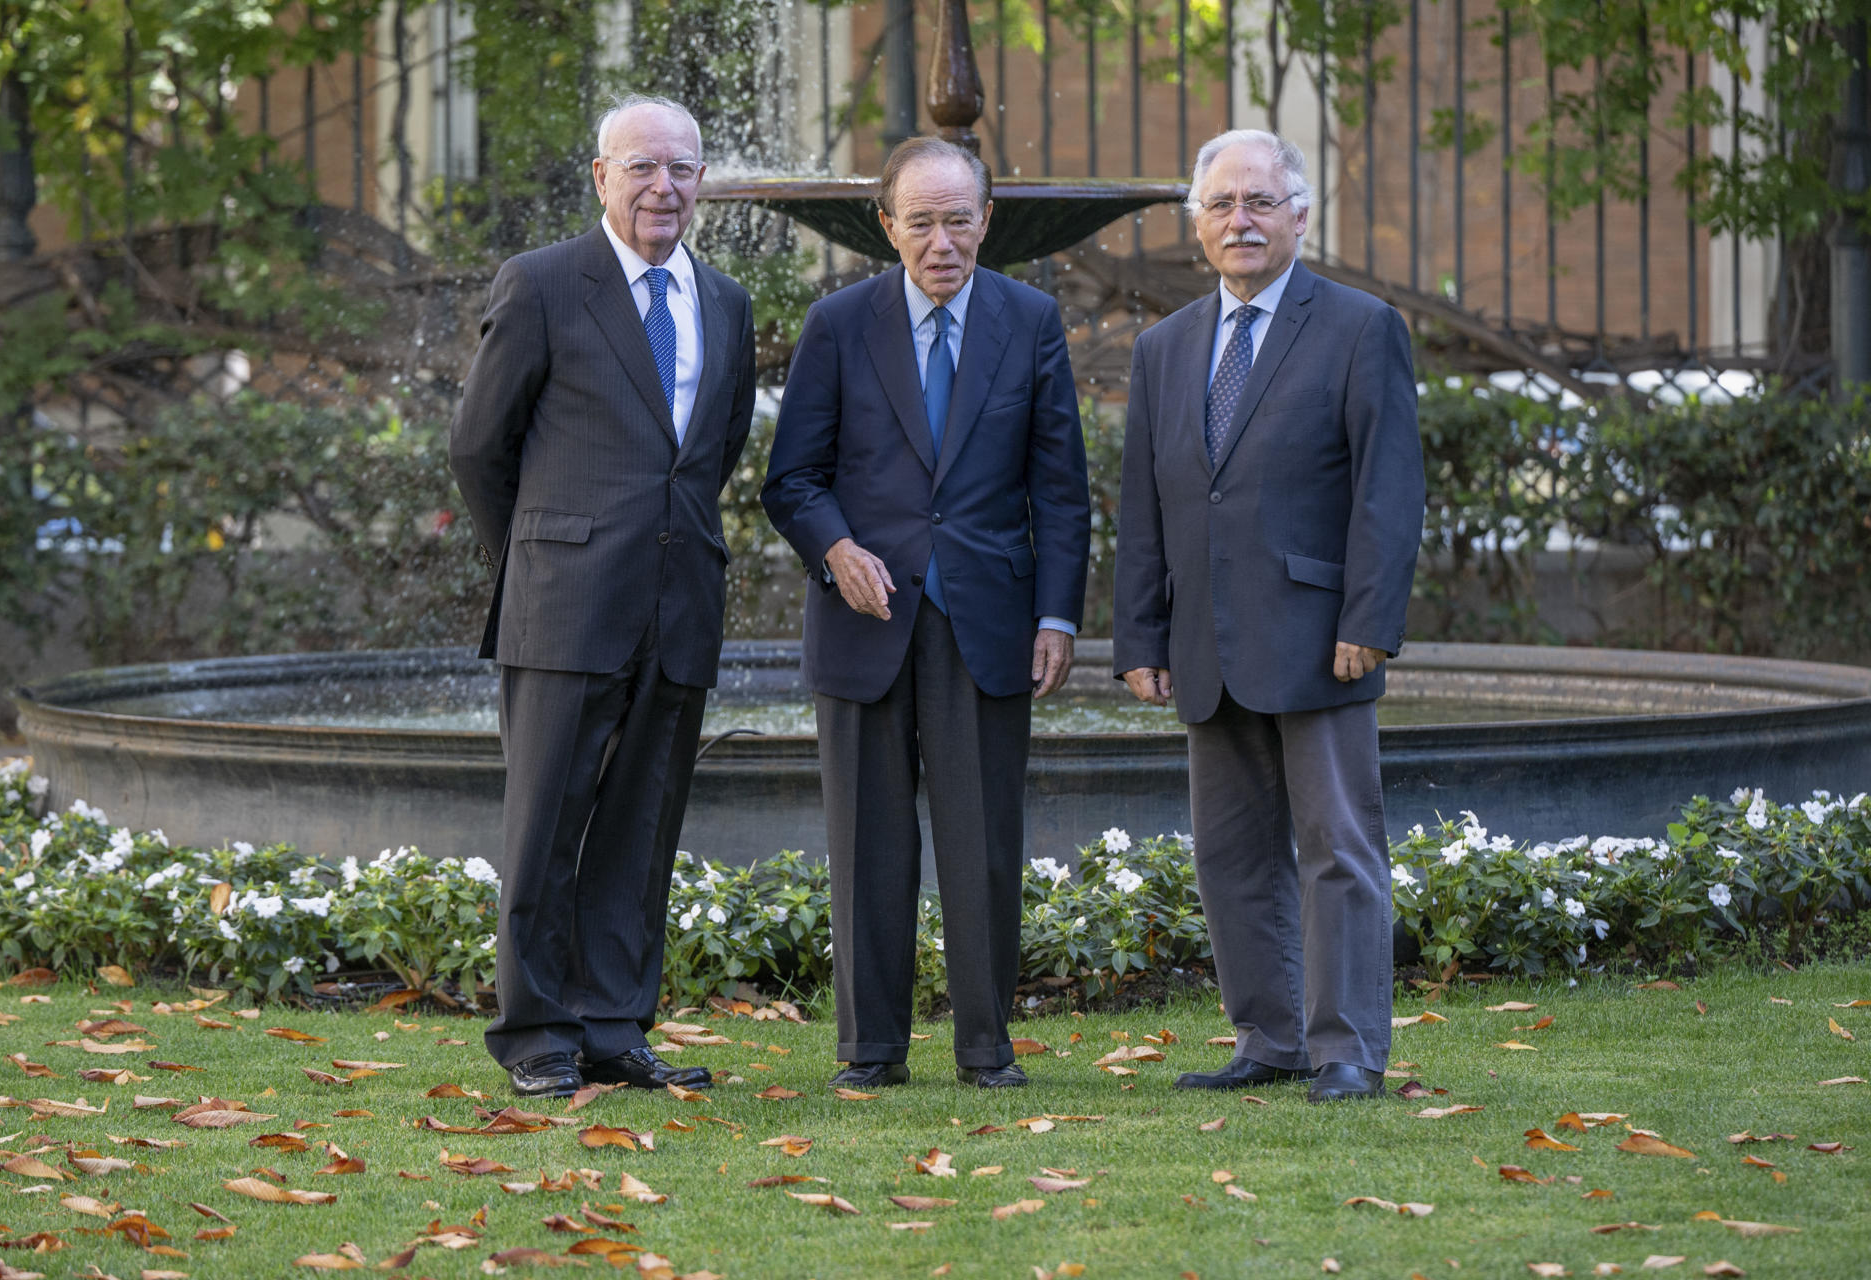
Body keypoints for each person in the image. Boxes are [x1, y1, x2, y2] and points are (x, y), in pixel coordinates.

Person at [762, 136, 1090, 1090]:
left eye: (959, 220)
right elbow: (794, 478)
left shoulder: (1031, 322)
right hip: (865, 619)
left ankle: (986, 1048)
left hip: (987, 621)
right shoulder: (836, 323)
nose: (941, 242)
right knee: (866, 844)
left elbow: (1060, 490)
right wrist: (834, 548)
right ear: (886, 226)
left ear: (987, 220)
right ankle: (870, 1051)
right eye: (921, 222)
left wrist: (1059, 617)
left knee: (983, 842)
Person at [450, 94, 757, 1098]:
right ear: (601, 176)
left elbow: (708, 457)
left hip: (677, 604)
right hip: (563, 601)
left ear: (702, 180)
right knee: (545, 826)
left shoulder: (725, 301)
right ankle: (537, 1029)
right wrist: (538, 557)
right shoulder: (543, 285)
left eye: (681, 169)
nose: (663, 187)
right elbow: (479, 447)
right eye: (642, 168)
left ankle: (615, 1024)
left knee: (640, 829)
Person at [1112, 129, 1424, 1103]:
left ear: (1301, 213)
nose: (1239, 220)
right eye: (1221, 205)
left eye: (1258, 201)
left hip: (1322, 637)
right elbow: (1146, 503)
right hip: (1206, 641)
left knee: (1338, 849)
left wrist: (1370, 617)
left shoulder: (1361, 328)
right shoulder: (1163, 348)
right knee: (1230, 855)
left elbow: (1388, 490)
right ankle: (1270, 1037)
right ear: (1195, 223)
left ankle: (1346, 1051)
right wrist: (1139, 634)